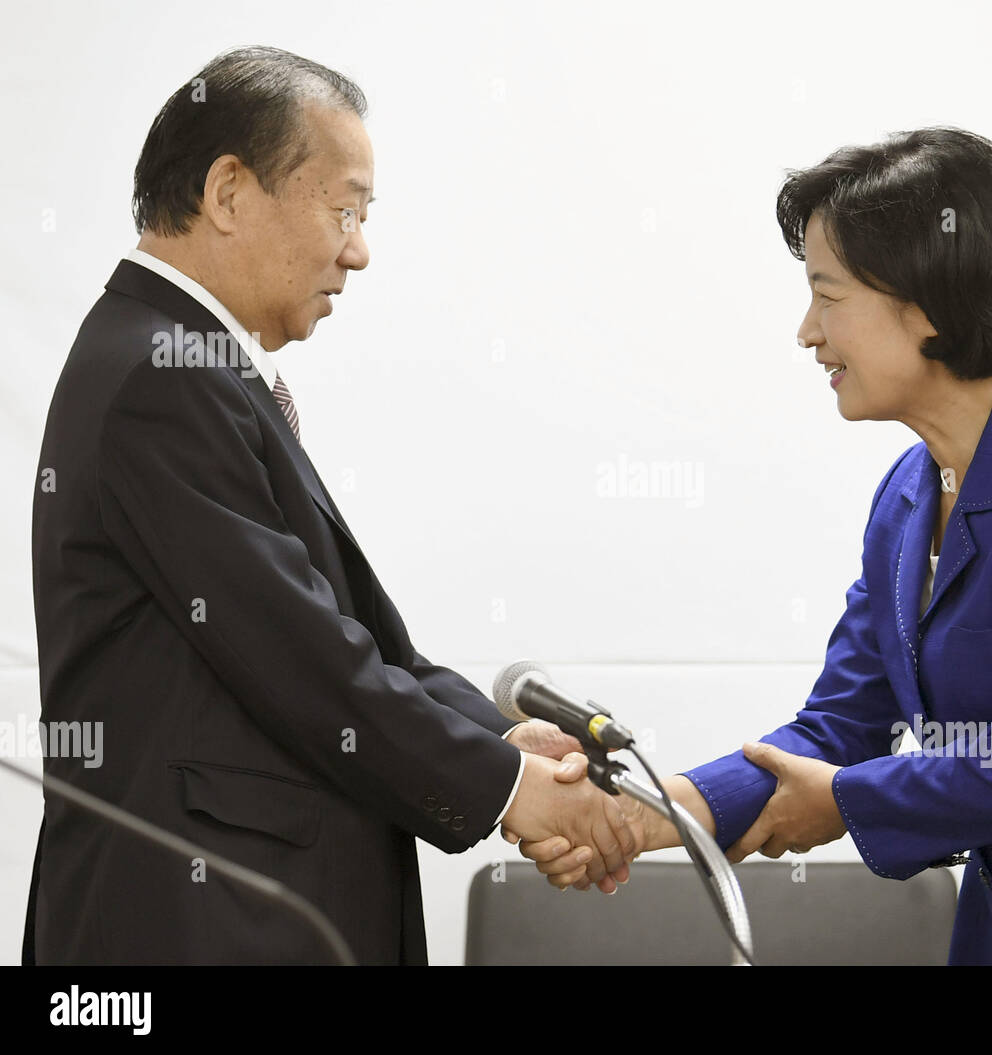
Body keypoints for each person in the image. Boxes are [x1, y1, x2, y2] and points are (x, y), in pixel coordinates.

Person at [514, 128, 992, 965]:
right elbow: (840, 724)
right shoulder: (908, 494)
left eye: (828, 294)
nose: (807, 331)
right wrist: (644, 810)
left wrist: (844, 803)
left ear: (925, 303)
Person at [24, 45, 635, 966]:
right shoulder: (163, 371)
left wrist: (502, 735)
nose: (358, 248)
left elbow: (348, 638)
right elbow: (305, 660)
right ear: (229, 193)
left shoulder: (186, 362)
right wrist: (515, 788)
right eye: (344, 208)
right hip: (197, 930)